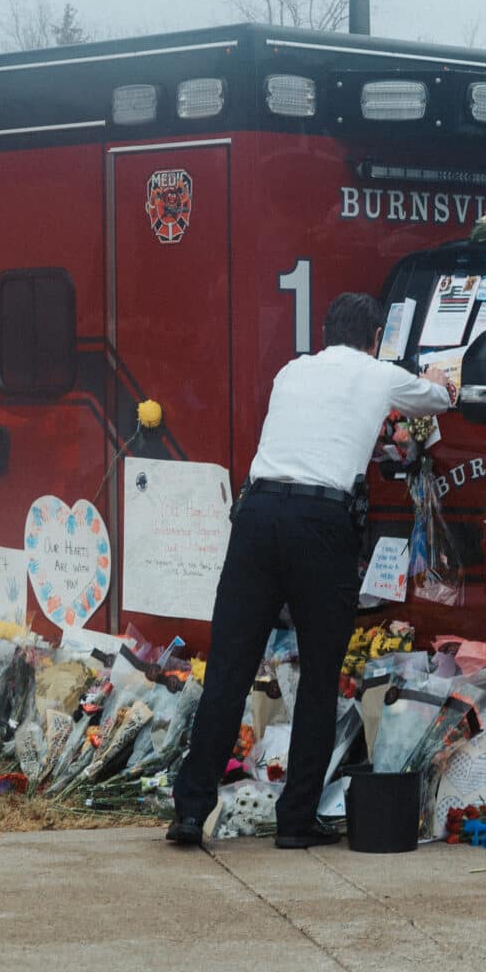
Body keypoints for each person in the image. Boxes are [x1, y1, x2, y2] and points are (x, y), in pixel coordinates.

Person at [169, 292, 453, 848]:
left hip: (256, 516)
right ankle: (296, 821)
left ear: (325, 332)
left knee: (229, 667)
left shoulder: (290, 371)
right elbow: (438, 400)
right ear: (375, 337)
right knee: (321, 675)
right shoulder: (377, 373)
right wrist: (439, 375)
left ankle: (190, 810)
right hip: (321, 522)